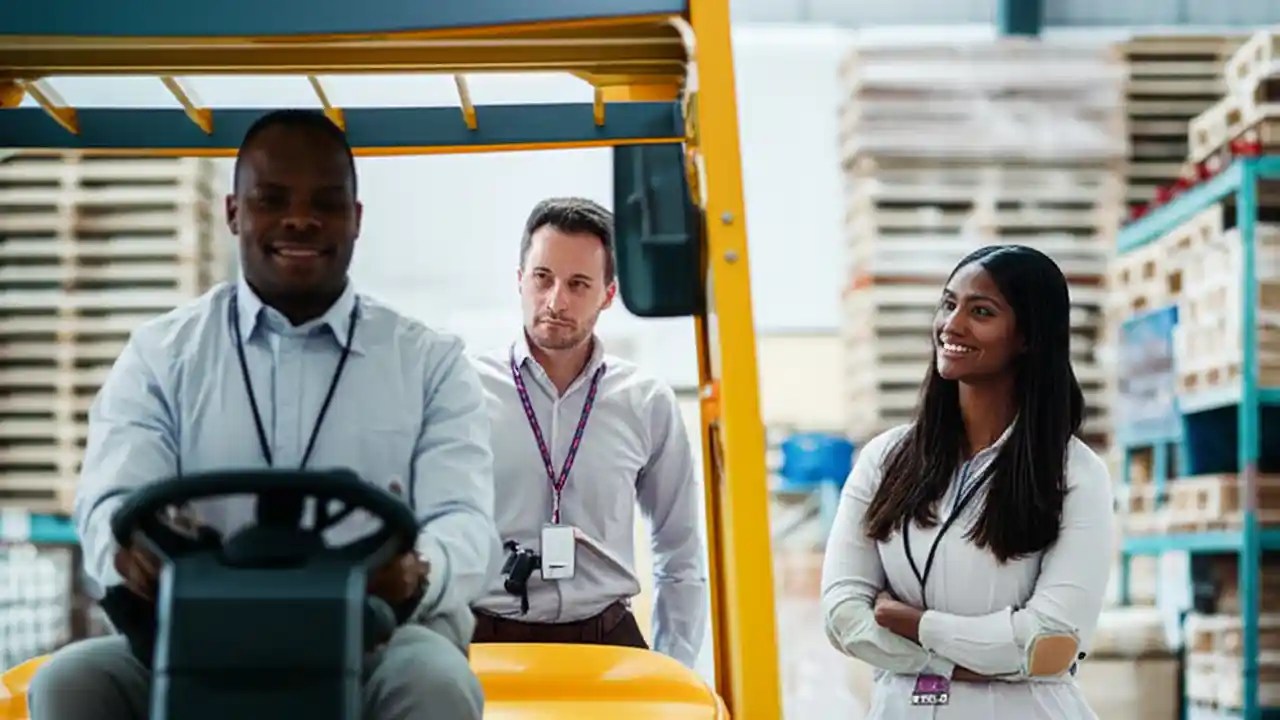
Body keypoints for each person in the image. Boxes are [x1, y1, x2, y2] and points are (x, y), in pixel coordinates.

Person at [28, 109, 500, 720]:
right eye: (272, 199)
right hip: (198, 630)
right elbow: (110, 499)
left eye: (326, 204)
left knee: (435, 681)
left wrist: (417, 569)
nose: (299, 220)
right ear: (233, 212)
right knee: (71, 683)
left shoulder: (429, 362)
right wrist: (123, 551)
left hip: (373, 634)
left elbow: (464, 521)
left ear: (355, 221)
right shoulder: (161, 355)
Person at [820, 245, 1115, 718]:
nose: (952, 325)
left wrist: (915, 624)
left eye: (981, 311)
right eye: (948, 303)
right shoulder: (884, 460)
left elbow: (1051, 643)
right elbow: (842, 617)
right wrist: (958, 660)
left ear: (1028, 336)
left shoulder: (1074, 474)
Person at [468, 197, 708, 669]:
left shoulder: (645, 401)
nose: (556, 301)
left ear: (608, 294)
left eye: (579, 284)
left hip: (606, 642)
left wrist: (672, 669)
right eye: (543, 278)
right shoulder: (463, 390)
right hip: (487, 642)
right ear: (520, 280)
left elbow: (679, 551)